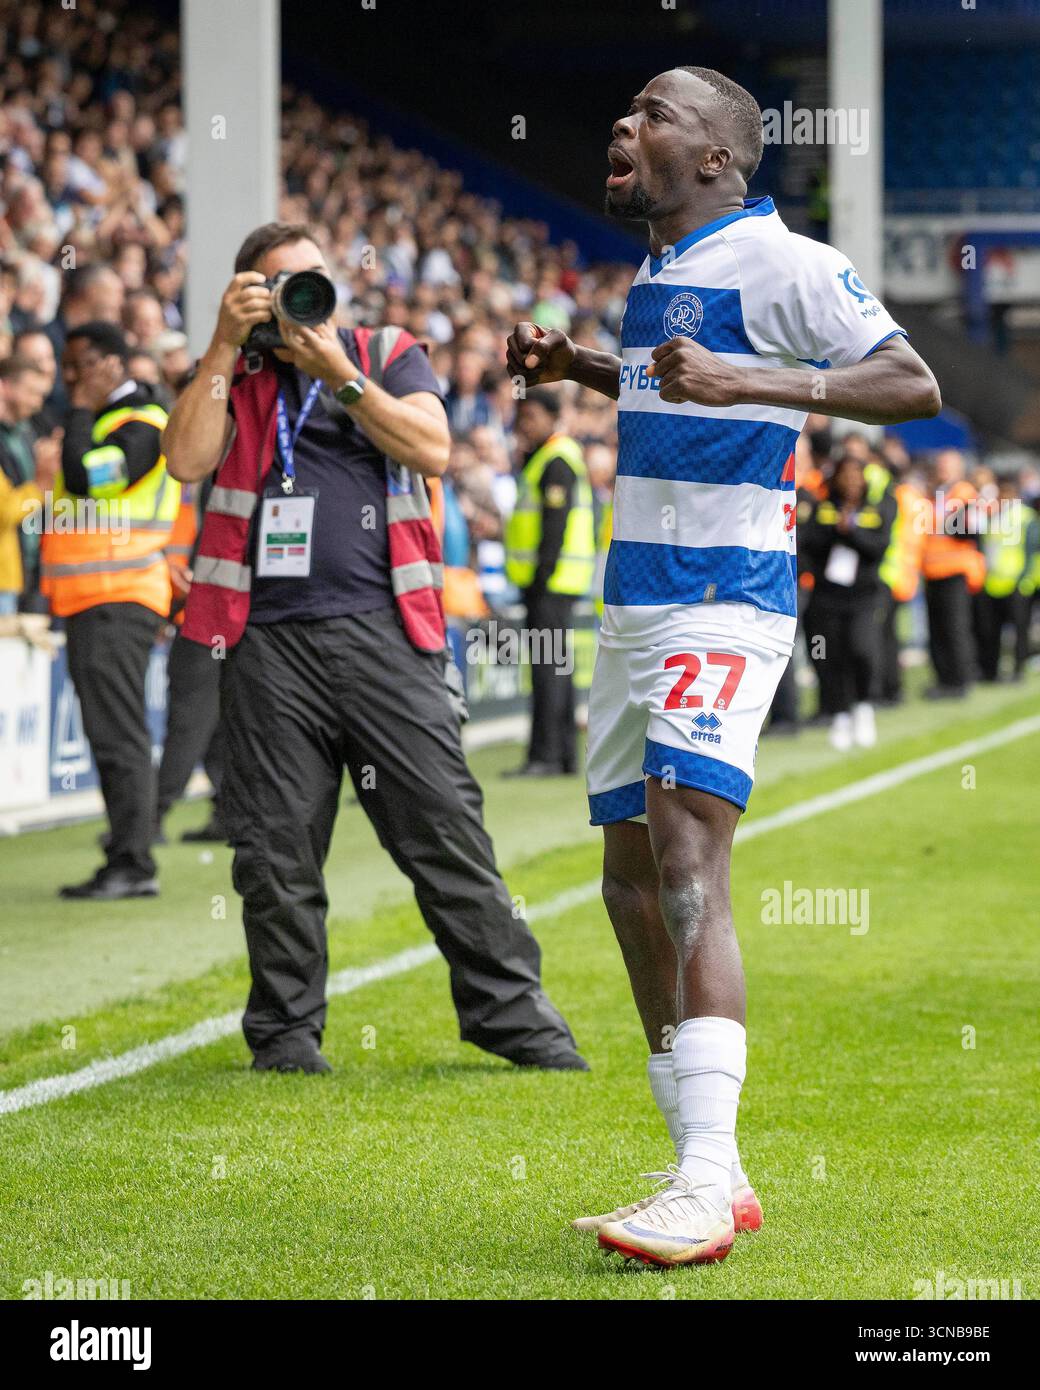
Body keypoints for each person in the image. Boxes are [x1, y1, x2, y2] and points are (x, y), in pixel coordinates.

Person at [508, 65, 939, 1266]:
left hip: (720, 600)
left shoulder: (784, 259)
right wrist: (581, 368)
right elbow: (675, 382)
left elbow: (911, 382)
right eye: (621, 113)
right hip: (631, 603)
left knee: (688, 854)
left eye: (652, 113)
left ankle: (700, 1180)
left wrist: (755, 375)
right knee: (628, 879)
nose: (622, 125)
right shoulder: (661, 268)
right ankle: (710, 1167)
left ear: (713, 157)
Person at [163, 221, 586, 1076]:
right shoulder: (232, 372)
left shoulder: (386, 350)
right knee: (273, 852)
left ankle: (515, 1022)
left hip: (387, 634)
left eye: (313, 279)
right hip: (265, 644)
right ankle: (285, 1040)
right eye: (280, 285)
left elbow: (431, 447)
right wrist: (217, 345)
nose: (302, 298)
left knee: (443, 828)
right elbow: (183, 459)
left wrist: (343, 378)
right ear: (250, 295)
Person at [40, 322, 177, 898]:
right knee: (109, 735)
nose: (70, 379)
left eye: (79, 367)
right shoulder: (106, 424)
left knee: (119, 736)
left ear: (112, 365)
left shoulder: (142, 425)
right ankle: (126, 852)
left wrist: (74, 409)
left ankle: (133, 864)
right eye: (67, 369)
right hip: (92, 598)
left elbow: (85, 480)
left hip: (118, 598)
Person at [503, 388, 595, 776]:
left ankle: (546, 755)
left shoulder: (555, 460)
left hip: (550, 583)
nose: (525, 425)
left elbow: (553, 529)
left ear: (550, 418)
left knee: (547, 669)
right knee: (556, 667)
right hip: (558, 582)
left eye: (531, 418)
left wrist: (539, 577)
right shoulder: (551, 457)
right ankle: (563, 756)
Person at [801, 453, 895, 750]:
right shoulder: (822, 508)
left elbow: (879, 548)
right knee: (828, 656)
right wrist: (834, 531)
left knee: (862, 649)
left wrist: (851, 532)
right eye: (845, 474)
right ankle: (839, 712)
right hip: (827, 595)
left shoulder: (875, 509)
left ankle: (863, 705)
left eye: (856, 475)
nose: (851, 481)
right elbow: (808, 543)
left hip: (863, 595)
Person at [921, 449, 985, 698]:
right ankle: (944, 679)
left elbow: (970, 530)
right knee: (937, 629)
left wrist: (950, 521)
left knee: (955, 628)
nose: (942, 469)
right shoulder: (936, 493)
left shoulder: (965, 493)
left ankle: (960, 680)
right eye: (940, 464)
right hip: (932, 570)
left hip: (955, 570)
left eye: (947, 465)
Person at [0, 355, 57, 613]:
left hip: (26, 569)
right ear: (5, 387)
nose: (37, 403)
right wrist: (41, 484)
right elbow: (6, 511)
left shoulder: (26, 432)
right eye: (31, 393)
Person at [974, 476, 1037, 682]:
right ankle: (990, 671)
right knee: (991, 632)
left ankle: (1018, 671)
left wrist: (1024, 578)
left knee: (1019, 632)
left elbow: (1030, 550)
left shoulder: (1026, 517)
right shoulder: (994, 517)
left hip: (1017, 583)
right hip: (993, 584)